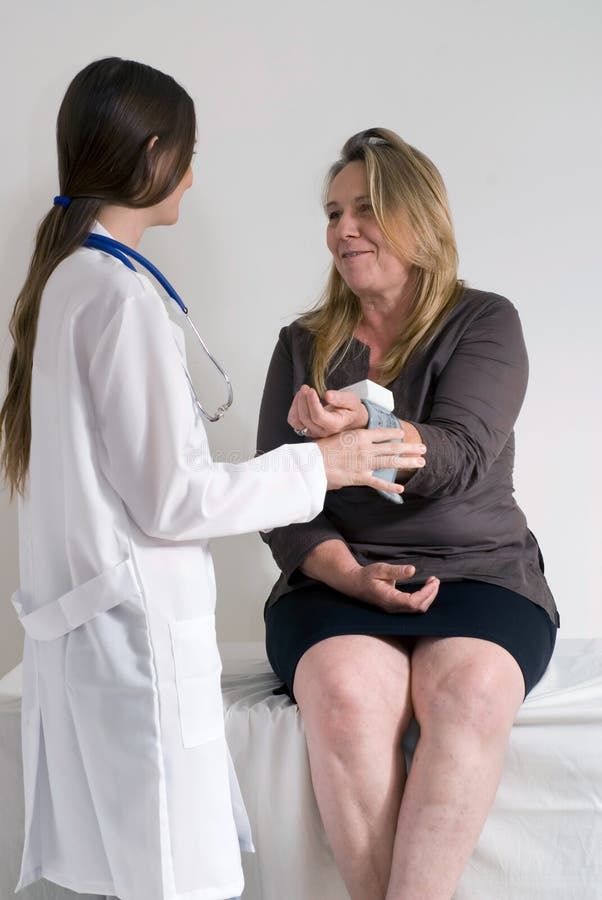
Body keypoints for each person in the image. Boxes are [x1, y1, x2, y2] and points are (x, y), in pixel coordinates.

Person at [0, 67, 427, 900]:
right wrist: (326, 465)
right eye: (188, 155)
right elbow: (173, 499)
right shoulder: (118, 298)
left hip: (95, 636)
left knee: (133, 874)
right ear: (155, 154)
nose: (193, 178)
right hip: (132, 640)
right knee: (175, 878)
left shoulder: (69, 283)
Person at [257, 127, 559, 900]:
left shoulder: (485, 322)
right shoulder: (302, 344)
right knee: (347, 696)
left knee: (469, 693)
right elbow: (281, 500)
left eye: (366, 209)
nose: (344, 229)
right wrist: (348, 575)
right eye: (334, 213)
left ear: (419, 219)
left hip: (480, 574)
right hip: (339, 581)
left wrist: (362, 427)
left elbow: (460, 454)